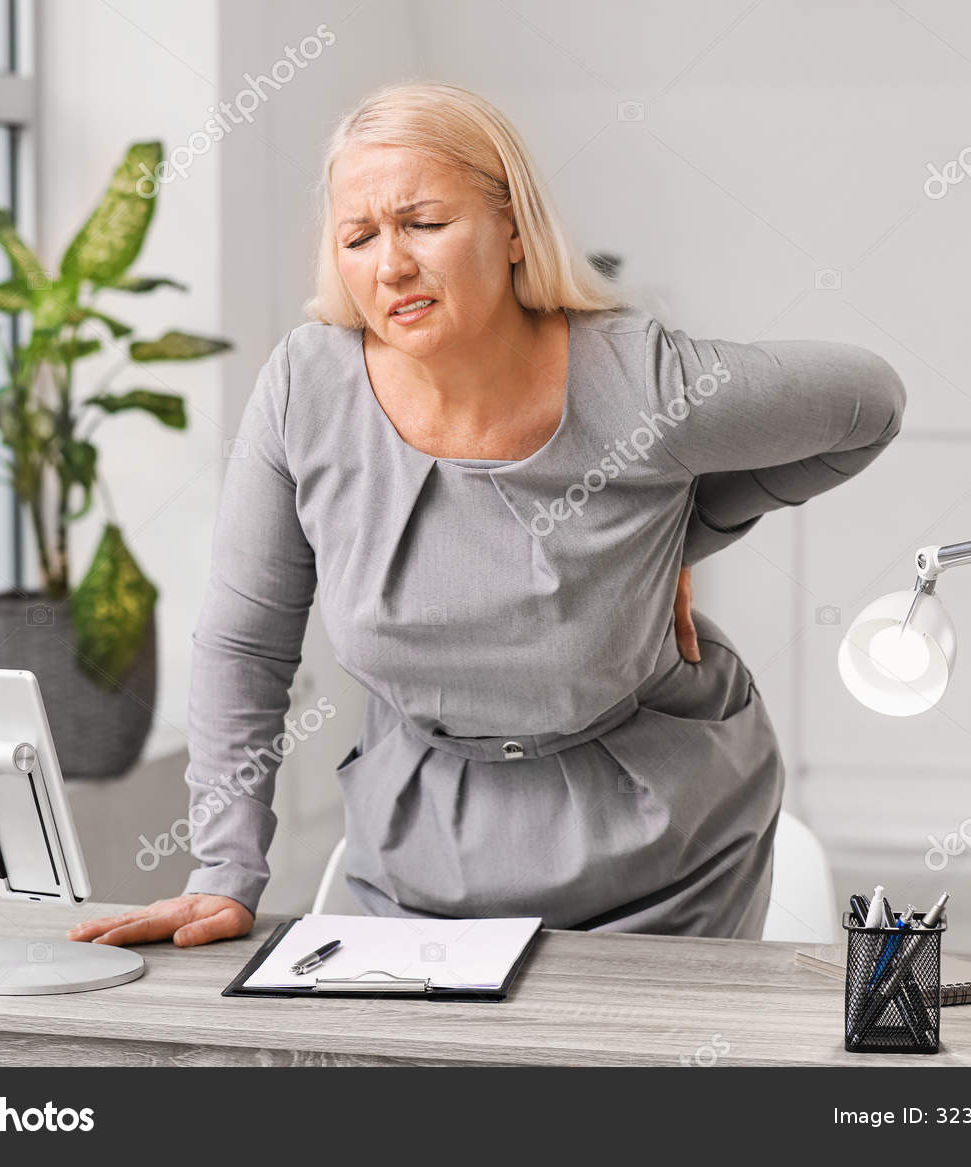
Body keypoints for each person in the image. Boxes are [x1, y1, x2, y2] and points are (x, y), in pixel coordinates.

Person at [69, 81, 904, 950]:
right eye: (358, 237)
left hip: (666, 859)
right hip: (421, 858)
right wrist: (224, 869)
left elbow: (869, 406)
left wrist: (673, 534)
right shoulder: (305, 388)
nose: (390, 265)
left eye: (423, 223)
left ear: (512, 226)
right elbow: (246, 642)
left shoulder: (640, 382)